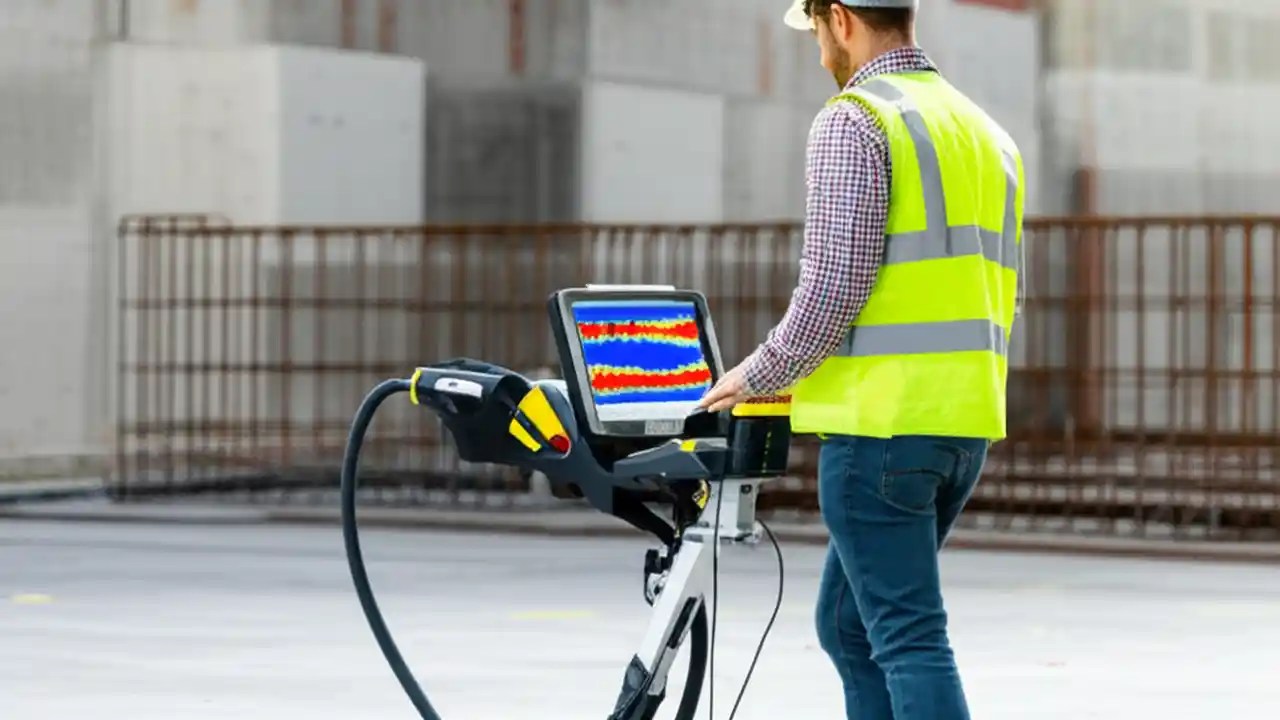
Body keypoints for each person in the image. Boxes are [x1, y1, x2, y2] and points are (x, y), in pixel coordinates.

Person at [697, 1, 1025, 718]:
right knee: (848, 628)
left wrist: (757, 375)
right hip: (961, 425)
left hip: (881, 430)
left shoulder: (857, 119)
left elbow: (833, 289)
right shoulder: (985, 133)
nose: (818, 51)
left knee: (908, 637)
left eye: (815, 30)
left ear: (839, 18)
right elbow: (997, 289)